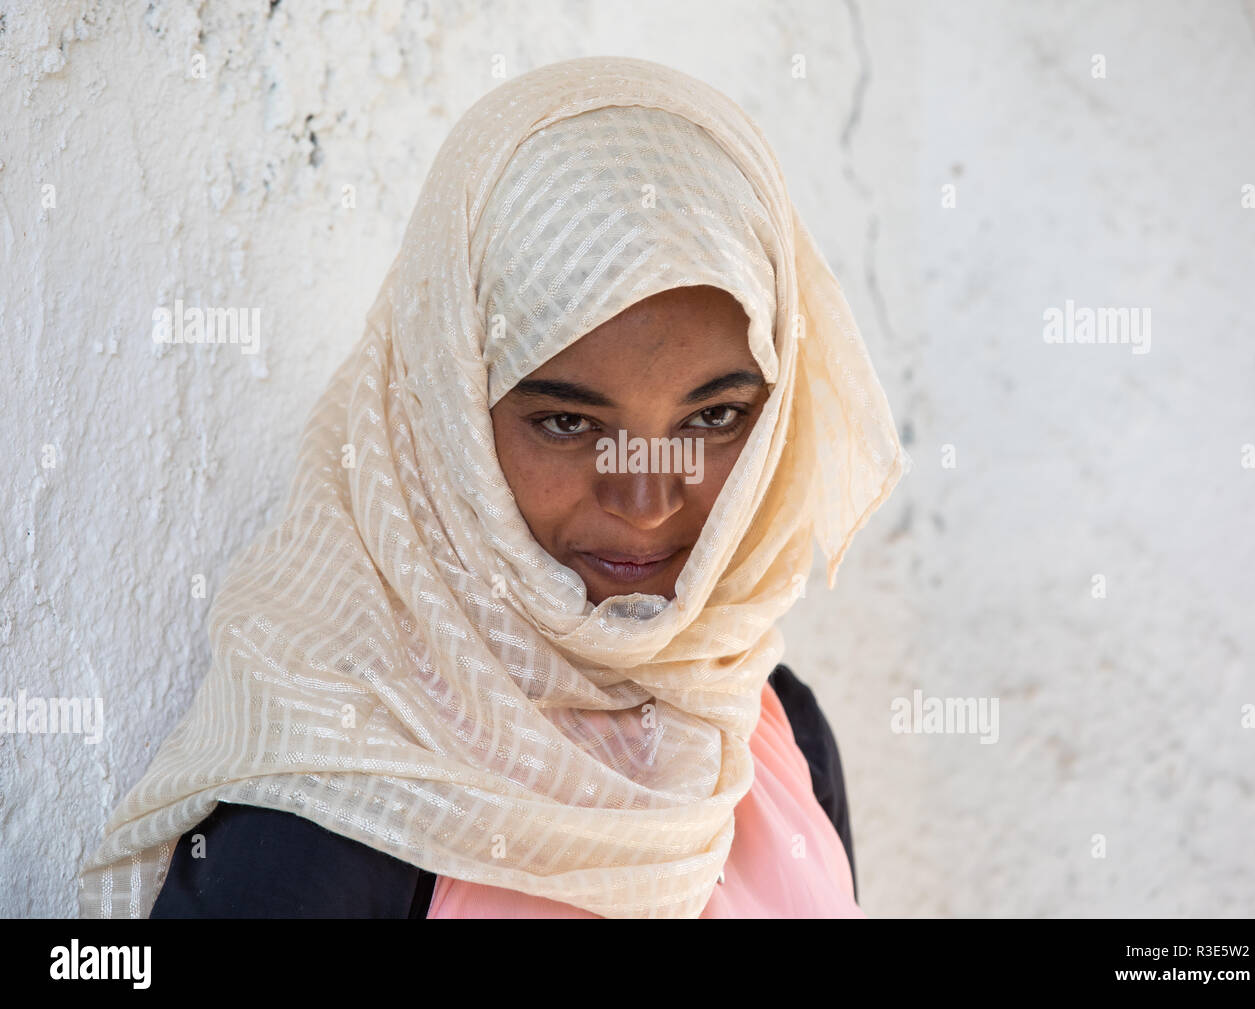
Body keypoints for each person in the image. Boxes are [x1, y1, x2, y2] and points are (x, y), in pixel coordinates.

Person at [77, 55, 910, 919]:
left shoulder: (771, 730)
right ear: (446, 422)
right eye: (567, 423)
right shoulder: (339, 811)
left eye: (714, 418)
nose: (649, 500)